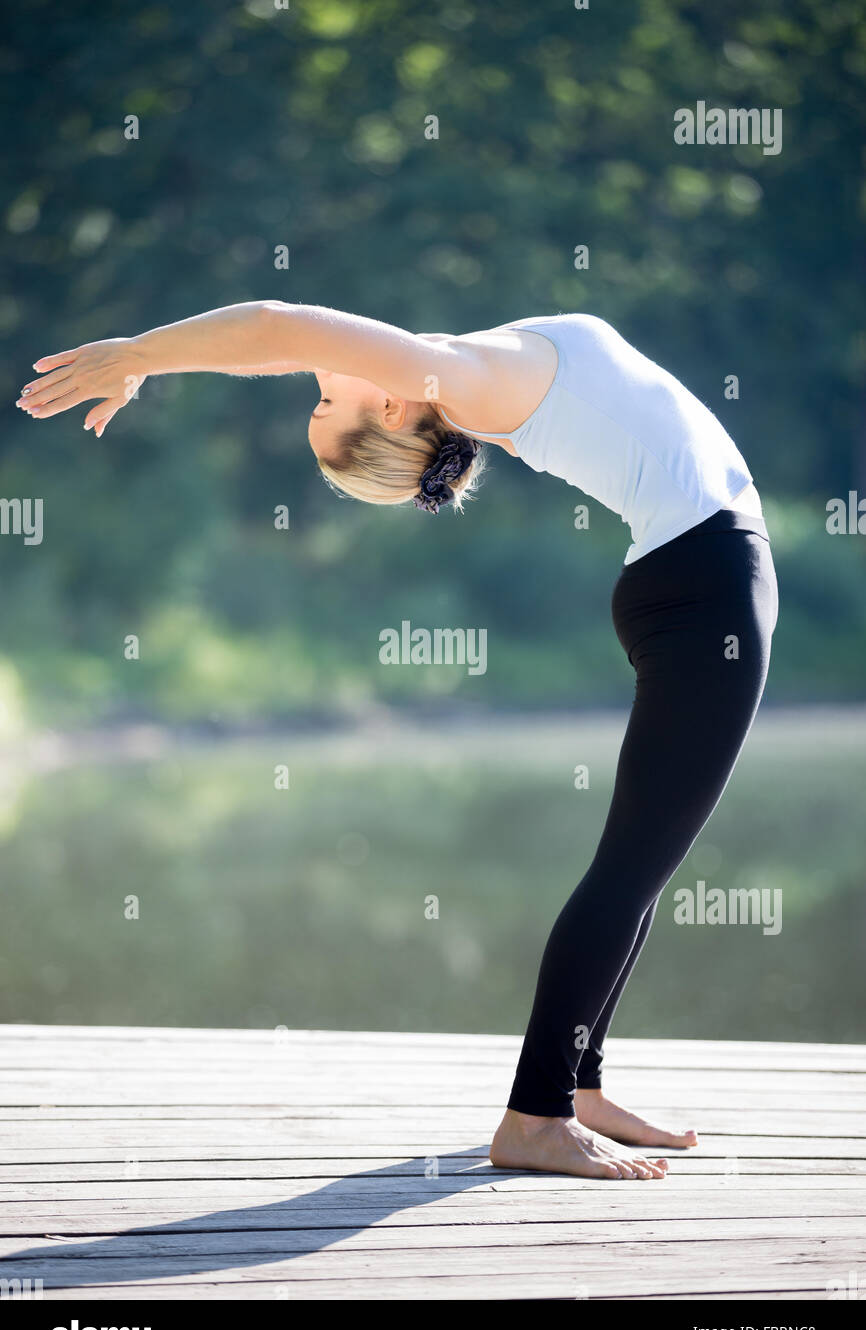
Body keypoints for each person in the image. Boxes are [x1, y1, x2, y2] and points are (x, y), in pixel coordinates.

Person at [17, 301, 778, 1180]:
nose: (311, 389)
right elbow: (275, 325)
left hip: (697, 580)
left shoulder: (449, 369)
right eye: (321, 410)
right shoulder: (453, 382)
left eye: (313, 409)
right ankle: (534, 1117)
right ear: (387, 408)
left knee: (642, 864)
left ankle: (578, 1090)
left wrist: (150, 355)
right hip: (706, 590)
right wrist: (142, 351)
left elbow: (280, 342)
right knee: (630, 869)